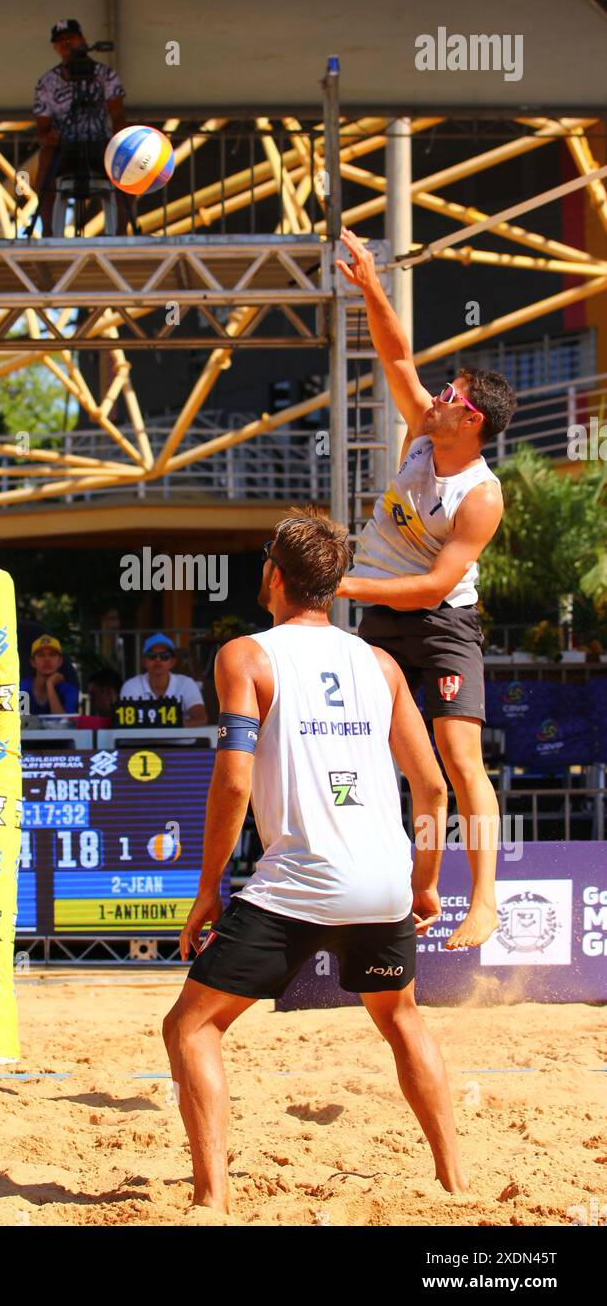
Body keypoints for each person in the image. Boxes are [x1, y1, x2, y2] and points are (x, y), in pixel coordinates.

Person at [163, 508, 468, 1215]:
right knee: (402, 1020)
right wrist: (423, 884)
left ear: (273, 575)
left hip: (301, 883)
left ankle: (212, 1199)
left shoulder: (245, 655)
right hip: (384, 881)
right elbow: (430, 786)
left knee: (191, 1026)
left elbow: (234, 781)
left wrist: (209, 888)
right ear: (333, 585)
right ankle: (455, 1181)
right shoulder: (381, 664)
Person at [335, 227, 519, 950]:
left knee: (459, 760)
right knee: (376, 755)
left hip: (441, 621)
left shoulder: (481, 494)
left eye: (450, 394)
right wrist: (371, 284)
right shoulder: (420, 433)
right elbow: (398, 353)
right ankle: (411, 884)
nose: (435, 394)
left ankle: (484, 902)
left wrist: (343, 584)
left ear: (469, 420)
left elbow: (438, 585)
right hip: (381, 612)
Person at [32, 18, 131, 237]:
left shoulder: (105, 75)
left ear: (83, 41)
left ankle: (122, 230)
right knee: (46, 158)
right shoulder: (47, 82)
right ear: (55, 48)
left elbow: (118, 115)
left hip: (100, 145)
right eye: (60, 42)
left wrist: (120, 142)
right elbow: (42, 129)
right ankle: (47, 230)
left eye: (71, 38)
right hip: (64, 149)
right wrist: (49, 138)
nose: (66, 44)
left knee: (126, 161)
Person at [121, 633, 207, 726]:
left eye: (164, 656)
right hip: (143, 740)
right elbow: (124, 722)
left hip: (179, 740)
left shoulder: (186, 683)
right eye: (152, 655)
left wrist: (168, 725)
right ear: (144, 661)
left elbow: (201, 719)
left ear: (172, 662)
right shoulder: (131, 686)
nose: (158, 660)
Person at [23, 634, 79, 716]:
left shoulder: (69, 690)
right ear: (32, 662)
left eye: (52, 655)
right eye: (41, 655)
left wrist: (50, 685)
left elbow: (64, 722)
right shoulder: (21, 687)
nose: (47, 659)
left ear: (60, 661)